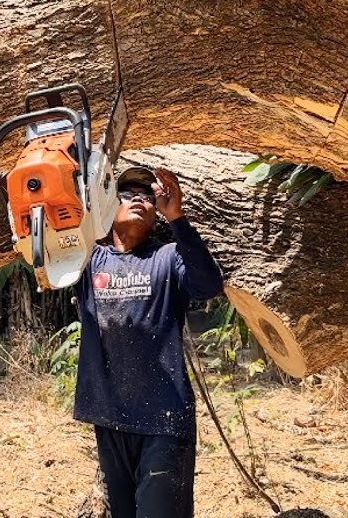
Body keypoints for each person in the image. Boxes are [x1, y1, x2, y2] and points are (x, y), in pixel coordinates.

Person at [73, 165, 224, 518]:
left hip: (164, 420)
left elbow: (208, 285)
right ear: (107, 209)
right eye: (126, 195)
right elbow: (42, 249)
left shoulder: (168, 257)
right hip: (110, 417)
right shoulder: (88, 261)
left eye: (146, 196)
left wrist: (178, 219)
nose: (138, 199)